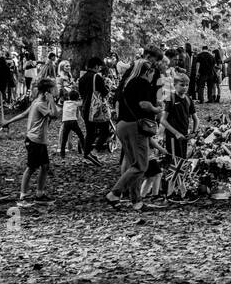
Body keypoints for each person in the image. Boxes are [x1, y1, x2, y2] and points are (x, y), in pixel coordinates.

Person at [105, 59, 163, 210]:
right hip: (135, 127)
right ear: (148, 72)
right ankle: (114, 193)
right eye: (152, 73)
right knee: (141, 166)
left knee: (134, 165)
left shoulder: (128, 83)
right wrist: (157, 109)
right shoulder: (142, 83)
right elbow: (144, 104)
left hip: (122, 125)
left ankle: (137, 201)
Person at [0, 77, 61, 205]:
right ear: (48, 91)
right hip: (35, 140)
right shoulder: (40, 104)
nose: (56, 90)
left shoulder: (36, 102)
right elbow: (55, 115)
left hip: (38, 140)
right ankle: (23, 197)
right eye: (54, 88)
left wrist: (8, 121)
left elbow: (23, 114)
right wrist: (52, 101)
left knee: (45, 166)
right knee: (31, 167)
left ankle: (39, 194)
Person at [77, 57, 109, 162]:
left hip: (85, 108)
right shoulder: (97, 77)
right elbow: (104, 92)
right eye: (99, 66)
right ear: (96, 66)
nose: (100, 69)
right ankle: (94, 152)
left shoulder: (81, 78)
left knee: (90, 132)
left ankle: (86, 155)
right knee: (105, 131)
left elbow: (81, 93)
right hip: (96, 109)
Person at [56, 87, 91, 161]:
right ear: (77, 98)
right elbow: (82, 102)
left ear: (69, 97)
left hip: (65, 122)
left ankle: (62, 154)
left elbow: (61, 100)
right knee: (81, 135)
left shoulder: (65, 102)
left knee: (64, 138)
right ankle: (85, 150)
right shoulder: (76, 103)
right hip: (73, 121)